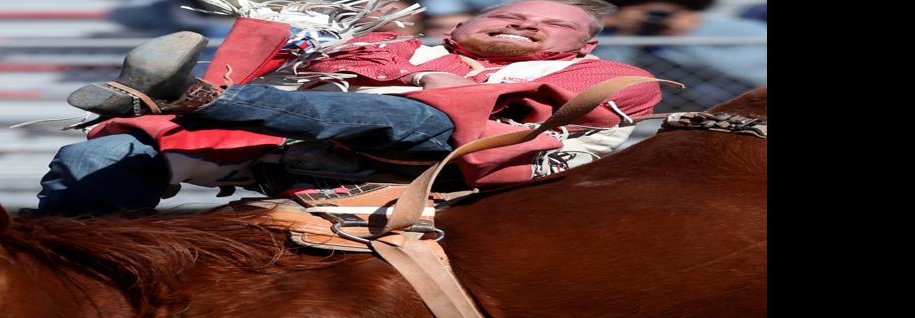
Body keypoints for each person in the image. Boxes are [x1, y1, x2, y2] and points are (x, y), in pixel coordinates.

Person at [38, 0, 663, 216]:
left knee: (410, 114)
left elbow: (550, 119)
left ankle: (188, 96)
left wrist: (435, 89)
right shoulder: (387, 47)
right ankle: (75, 259)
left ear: (585, 44)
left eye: (551, 24)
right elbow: (304, 76)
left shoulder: (612, 75)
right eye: (508, 15)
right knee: (101, 154)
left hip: (447, 158)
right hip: (292, 148)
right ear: (461, 25)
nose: (526, 24)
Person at [593, 0, 766, 111]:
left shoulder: (742, 29)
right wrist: (624, 34)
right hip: (641, 117)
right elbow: (602, 82)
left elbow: (755, 73)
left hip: (723, 113)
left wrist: (688, 38)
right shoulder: (607, 32)